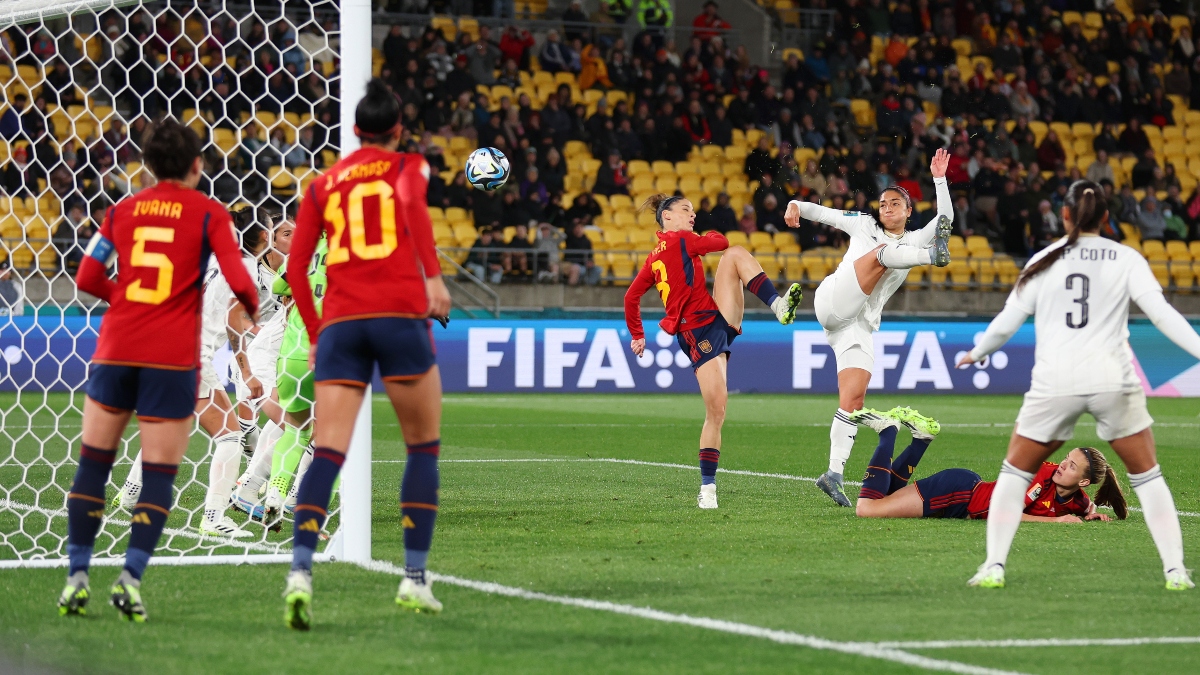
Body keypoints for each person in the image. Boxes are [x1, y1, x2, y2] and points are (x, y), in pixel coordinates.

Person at [58, 120, 259, 622]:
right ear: (197, 165)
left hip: (117, 347)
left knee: (93, 464)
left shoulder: (122, 210)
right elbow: (240, 281)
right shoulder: (210, 212)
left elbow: (86, 276)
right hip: (172, 358)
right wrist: (252, 307)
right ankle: (129, 581)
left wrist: (126, 299)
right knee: (159, 474)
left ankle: (76, 578)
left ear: (147, 165)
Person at [958, 179, 1200, 591]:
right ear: (1107, 218)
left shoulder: (1044, 258)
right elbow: (1162, 315)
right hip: (1113, 378)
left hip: (1056, 381)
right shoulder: (1126, 257)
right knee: (1148, 477)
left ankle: (993, 566)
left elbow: (1007, 322)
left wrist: (978, 351)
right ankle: (1175, 571)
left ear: (1065, 215)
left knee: (1014, 476)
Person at [282, 78, 451, 627]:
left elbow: (294, 269)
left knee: (327, 450)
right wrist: (435, 278)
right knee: (421, 448)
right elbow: (413, 208)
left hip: (342, 325)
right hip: (400, 317)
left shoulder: (322, 185)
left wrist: (314, 332)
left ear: (354, 132)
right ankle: (414, 579)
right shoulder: (409, 168)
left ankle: (300, 572)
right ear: (398, 131)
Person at [784, 148, 954, 508]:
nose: (886, 208)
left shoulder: (912, 238)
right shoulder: (864, 225)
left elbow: (944, 220)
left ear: (908, 211)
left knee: (854, 400)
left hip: (858, 326)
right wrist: (797, 204)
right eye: (883, 203)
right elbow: (824, 213)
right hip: (833, 302)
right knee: (879, 254)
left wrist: (939, 179)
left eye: (895, 204)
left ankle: (832, 474)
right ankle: (930, 260)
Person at [624, 194, 803, 509]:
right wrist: (701, 237)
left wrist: (638, 336)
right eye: (685, 209)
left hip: (714, 317)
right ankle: (707, 489)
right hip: (697, 332)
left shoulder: (653, 258)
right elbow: (719, 241)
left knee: (736, 254)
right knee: (717, 410)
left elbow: (631, 297)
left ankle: (779, 305)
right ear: (666, 216)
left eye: (692, 211)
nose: (692, 215)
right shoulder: (682, 240)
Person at [853, 407, 1126, 524]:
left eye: (1071, 466)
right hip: (955, 493)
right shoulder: (1041, 475)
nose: (1062, 465)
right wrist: (1058, 522)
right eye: (1066, 459)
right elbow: (1003, 514)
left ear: (1083, 483)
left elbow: (1084, 508)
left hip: (965, 494)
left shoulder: (1075, 499)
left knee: (886, 498)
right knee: (868, 510)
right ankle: (887, 431)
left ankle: (921, 441)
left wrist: (1094, 514)